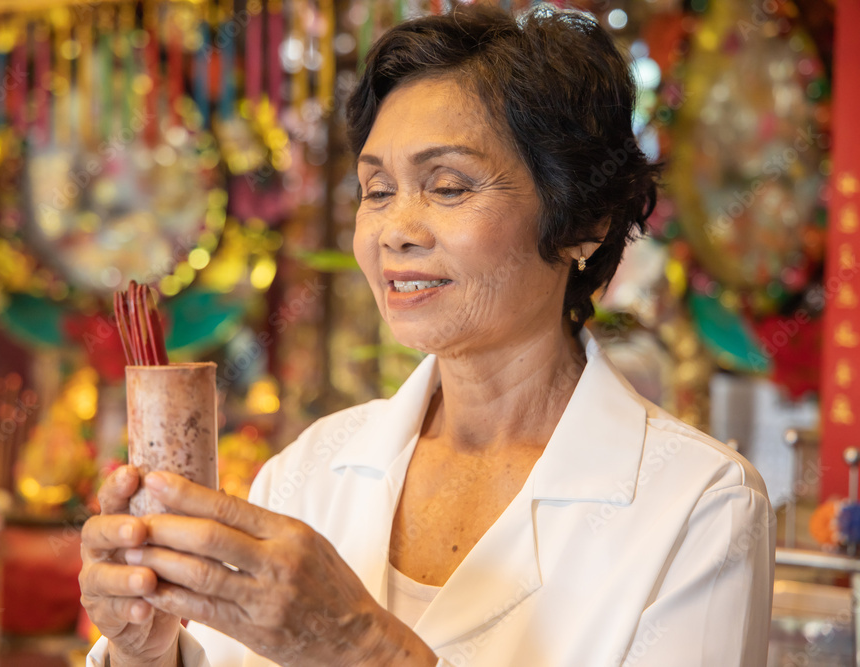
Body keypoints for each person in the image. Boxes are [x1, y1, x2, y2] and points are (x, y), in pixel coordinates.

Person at [82, 3, 776, 665]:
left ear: (582, 223)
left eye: (446, 187)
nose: (395, 230)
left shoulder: (698, 505)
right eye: (377, 190)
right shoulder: (309, 469)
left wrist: (363, 646)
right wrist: (147, 652)